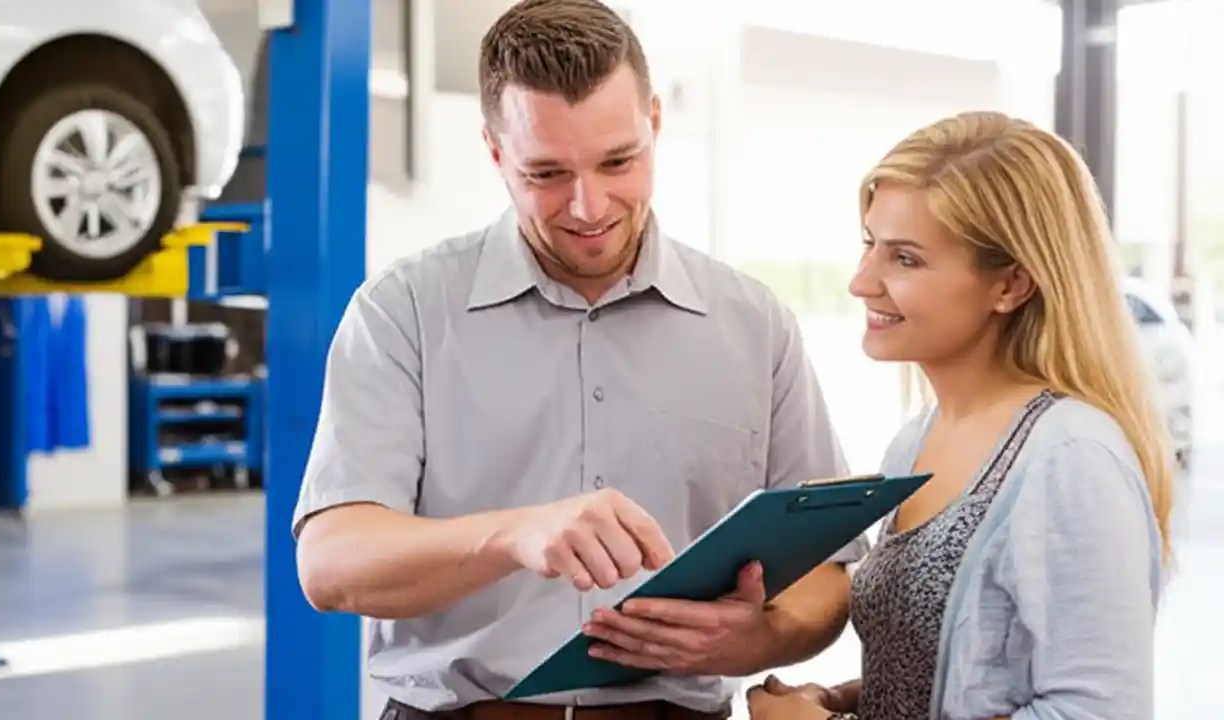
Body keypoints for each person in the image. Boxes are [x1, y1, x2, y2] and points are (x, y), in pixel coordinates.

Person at [291, 1, 865, 718]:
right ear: (496, 152)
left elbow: (830, 573)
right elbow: (330, 565)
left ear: (654, 123)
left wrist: (759, 639)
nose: (588, 205)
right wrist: (513, 534)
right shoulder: (401, 312)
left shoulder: (753, 324)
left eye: (618, 161)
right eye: (546, 173)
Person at [746, 110, 1173, 720]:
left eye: (906, 259)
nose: (861, 282)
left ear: (1011, 285)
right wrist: (843, 700)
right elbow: (952, 676)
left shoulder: (1070, 458)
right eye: (870, 244)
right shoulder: (915, 442)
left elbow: (1097, 711)